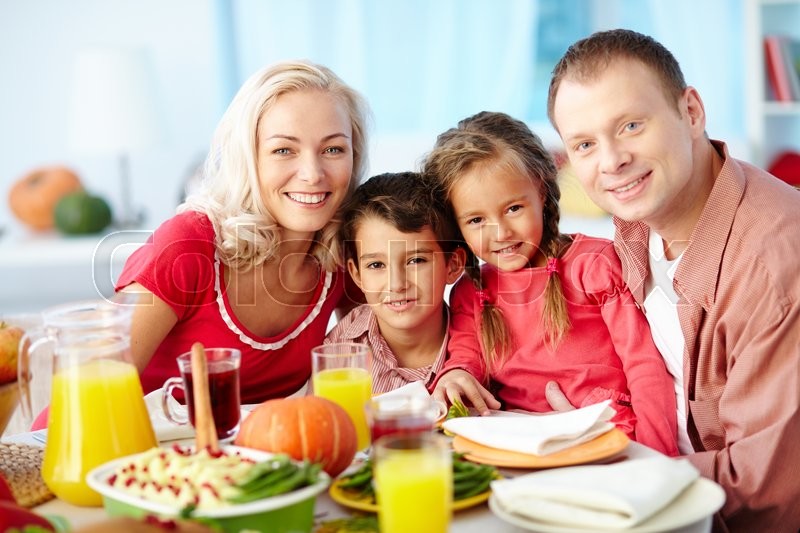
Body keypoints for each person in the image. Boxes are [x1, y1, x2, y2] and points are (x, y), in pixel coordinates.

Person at [547, 28, 800, 532]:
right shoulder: (637, 224)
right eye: (585, 144)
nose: (612, 161)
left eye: (631, 125)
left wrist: (609, 470)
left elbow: (765, 492)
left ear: (691, 112)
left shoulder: (774, 265)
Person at [424, 111, 678, 456]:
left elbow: (644, 365)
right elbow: (466, 357)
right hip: (520, 444)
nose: (501, 233)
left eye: (513, 208)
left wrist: (656, 455)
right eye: (477, 220)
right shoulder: (471, 291)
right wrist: (456, 374)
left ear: (541, 191)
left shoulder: (593, 265)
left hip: (606, 435)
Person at [115, 60, 370, 404]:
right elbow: (89, 393)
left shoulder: (344, 248)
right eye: (283, 150)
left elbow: (392, 357)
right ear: (247, 158)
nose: (312, 173)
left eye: (333, 149)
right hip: (138, 437)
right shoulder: (187, 243)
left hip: (267, 439)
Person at [325, 172, 466, 394]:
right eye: (376, 265)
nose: (397, 284)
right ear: (357, 274)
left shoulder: (481, 348)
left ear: (453, 265)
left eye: (416, 260)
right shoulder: (340, 349)